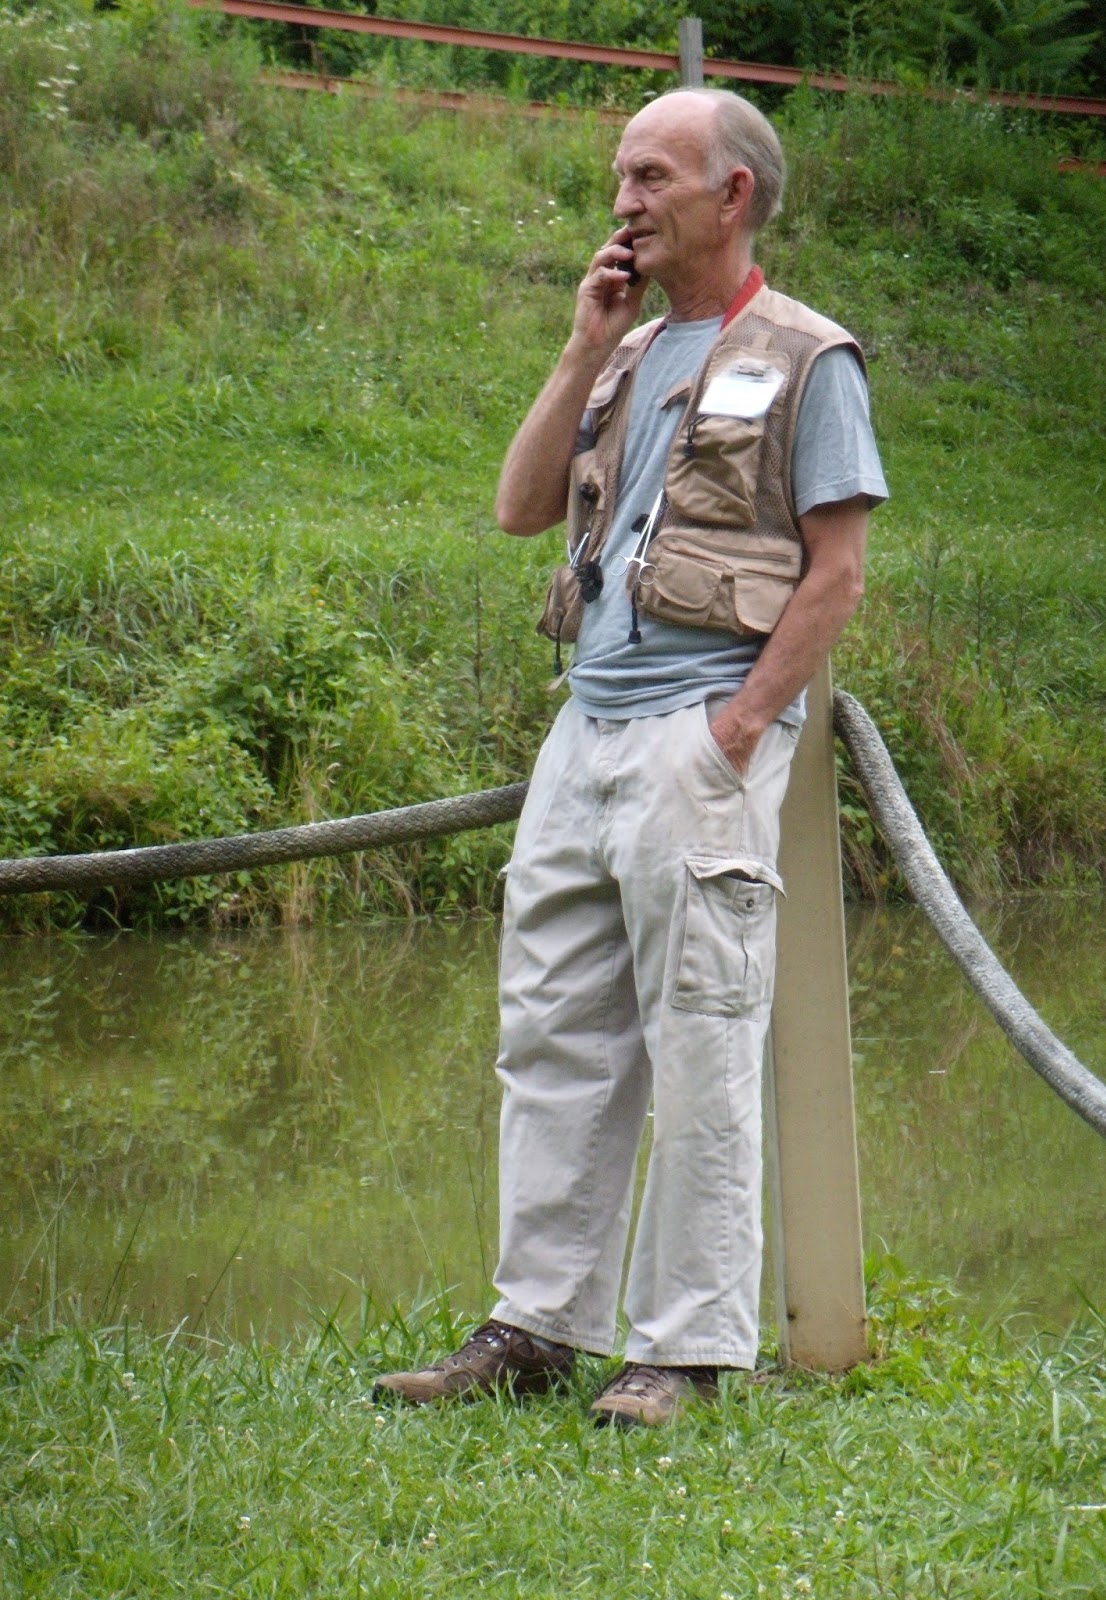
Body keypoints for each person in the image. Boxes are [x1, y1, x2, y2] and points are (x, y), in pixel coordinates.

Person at [373, 87, 888, 1428]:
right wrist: (576, 346)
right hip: (583, 732)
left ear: (735, 195)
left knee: (703, 1036)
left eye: (654, 176)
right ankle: (537, 1327)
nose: (625, 199)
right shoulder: (624, 349)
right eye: (620, 175)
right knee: (551, 1035)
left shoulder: (812, 357)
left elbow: (835, 577)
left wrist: (736, 727)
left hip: (694, 740)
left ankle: (684, 1348)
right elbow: (516, 508)